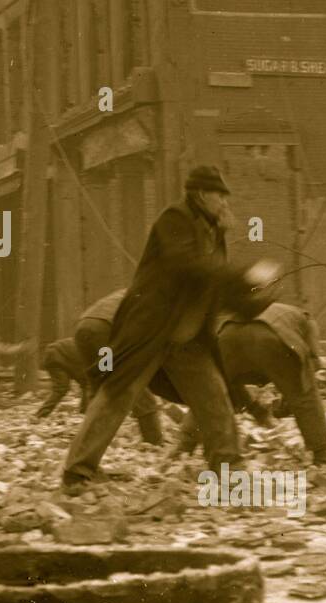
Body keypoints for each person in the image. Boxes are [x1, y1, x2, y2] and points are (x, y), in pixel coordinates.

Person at [61, 165, 268, 490]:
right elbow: (187, 266)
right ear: (201, 194)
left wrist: (254, 299)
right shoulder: (175, 219)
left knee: (213, 395)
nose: (225, 203)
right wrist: (243, 275)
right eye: (220, 196)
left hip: (188, 336)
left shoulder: (214, 233)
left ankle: (229, 468)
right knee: (119, 394)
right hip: (152, 331)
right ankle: (77, 472)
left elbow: (216, 286)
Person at [174, 301, 326, 465]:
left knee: (212, 393)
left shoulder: (273, 309)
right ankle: (323, 455)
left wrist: (257, 410)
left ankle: (183, 448)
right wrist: (289, 400)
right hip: (270, 337)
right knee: (305, 394)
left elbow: (233, 386)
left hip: (229, 336)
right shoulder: (307, 319)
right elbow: (311, 366)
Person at [74, 289, 166, 445]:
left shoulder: (132, 291)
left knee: (99, 383)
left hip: (83, 327)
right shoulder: (153, 295)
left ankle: (87, 439)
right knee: (133, 382)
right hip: (105, 330)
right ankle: (154, 440)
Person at [36, 337, 90, 418]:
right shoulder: (102, 349)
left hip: (56, 353)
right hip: (58, 355)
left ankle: (84, 413)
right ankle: (40, 415)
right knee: (63, 388)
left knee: (84, 384)